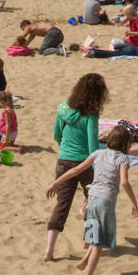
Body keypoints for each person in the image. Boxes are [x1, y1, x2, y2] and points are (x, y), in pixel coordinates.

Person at [46, 127, 138, 275]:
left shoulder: (98, 154)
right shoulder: (123, 159)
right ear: (125, 144)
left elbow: (75, 170)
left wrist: (56, 183)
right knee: (99, 244)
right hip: (106, 201)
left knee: (95, 232)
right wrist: (134, 202)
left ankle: (83, 261)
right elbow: (124, 182)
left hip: (92, 198)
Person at [44, 73, 107, 261]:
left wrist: (65, 147)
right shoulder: (91, 114)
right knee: (93, 202)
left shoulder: (63, 107)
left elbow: (56, 134)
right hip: (85, 163)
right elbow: (92, 147)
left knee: (62, 205)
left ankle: (49, 250)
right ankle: (88, 243)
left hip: (63, 161)